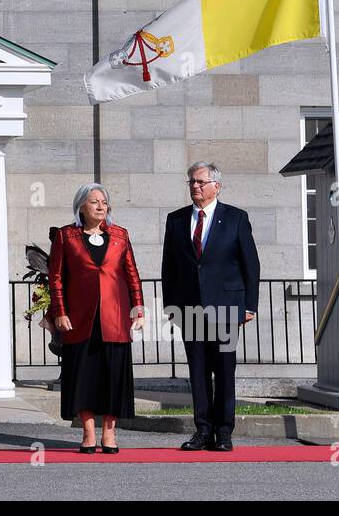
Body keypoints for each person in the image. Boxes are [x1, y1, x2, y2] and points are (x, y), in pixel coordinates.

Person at [160, 161, 259, 452]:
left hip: (227, 307)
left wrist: (249, 305)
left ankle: (224, 432)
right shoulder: (176, 220)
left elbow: (250, 265)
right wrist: (171, 305)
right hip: (189, 308)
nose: (195, 186)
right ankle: (202, 430)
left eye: (200, 182)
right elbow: (169, 267)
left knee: (225, 371)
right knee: (198, 372)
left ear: (216, 185)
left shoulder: (235, 218)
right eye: (191, 182)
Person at [47, 183, 144, 454]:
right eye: (94, 202)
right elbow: (55, 277)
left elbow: (132, 275)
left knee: (113, 376)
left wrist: (139, 309)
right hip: (80, 318)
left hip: (114, 316)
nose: (101, 206)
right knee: (84, 377)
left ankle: (109, 434)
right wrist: (60, 312)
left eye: (104, 202)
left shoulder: (120, 235)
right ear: (81, 206)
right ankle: (88, 433)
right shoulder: (66, 236)